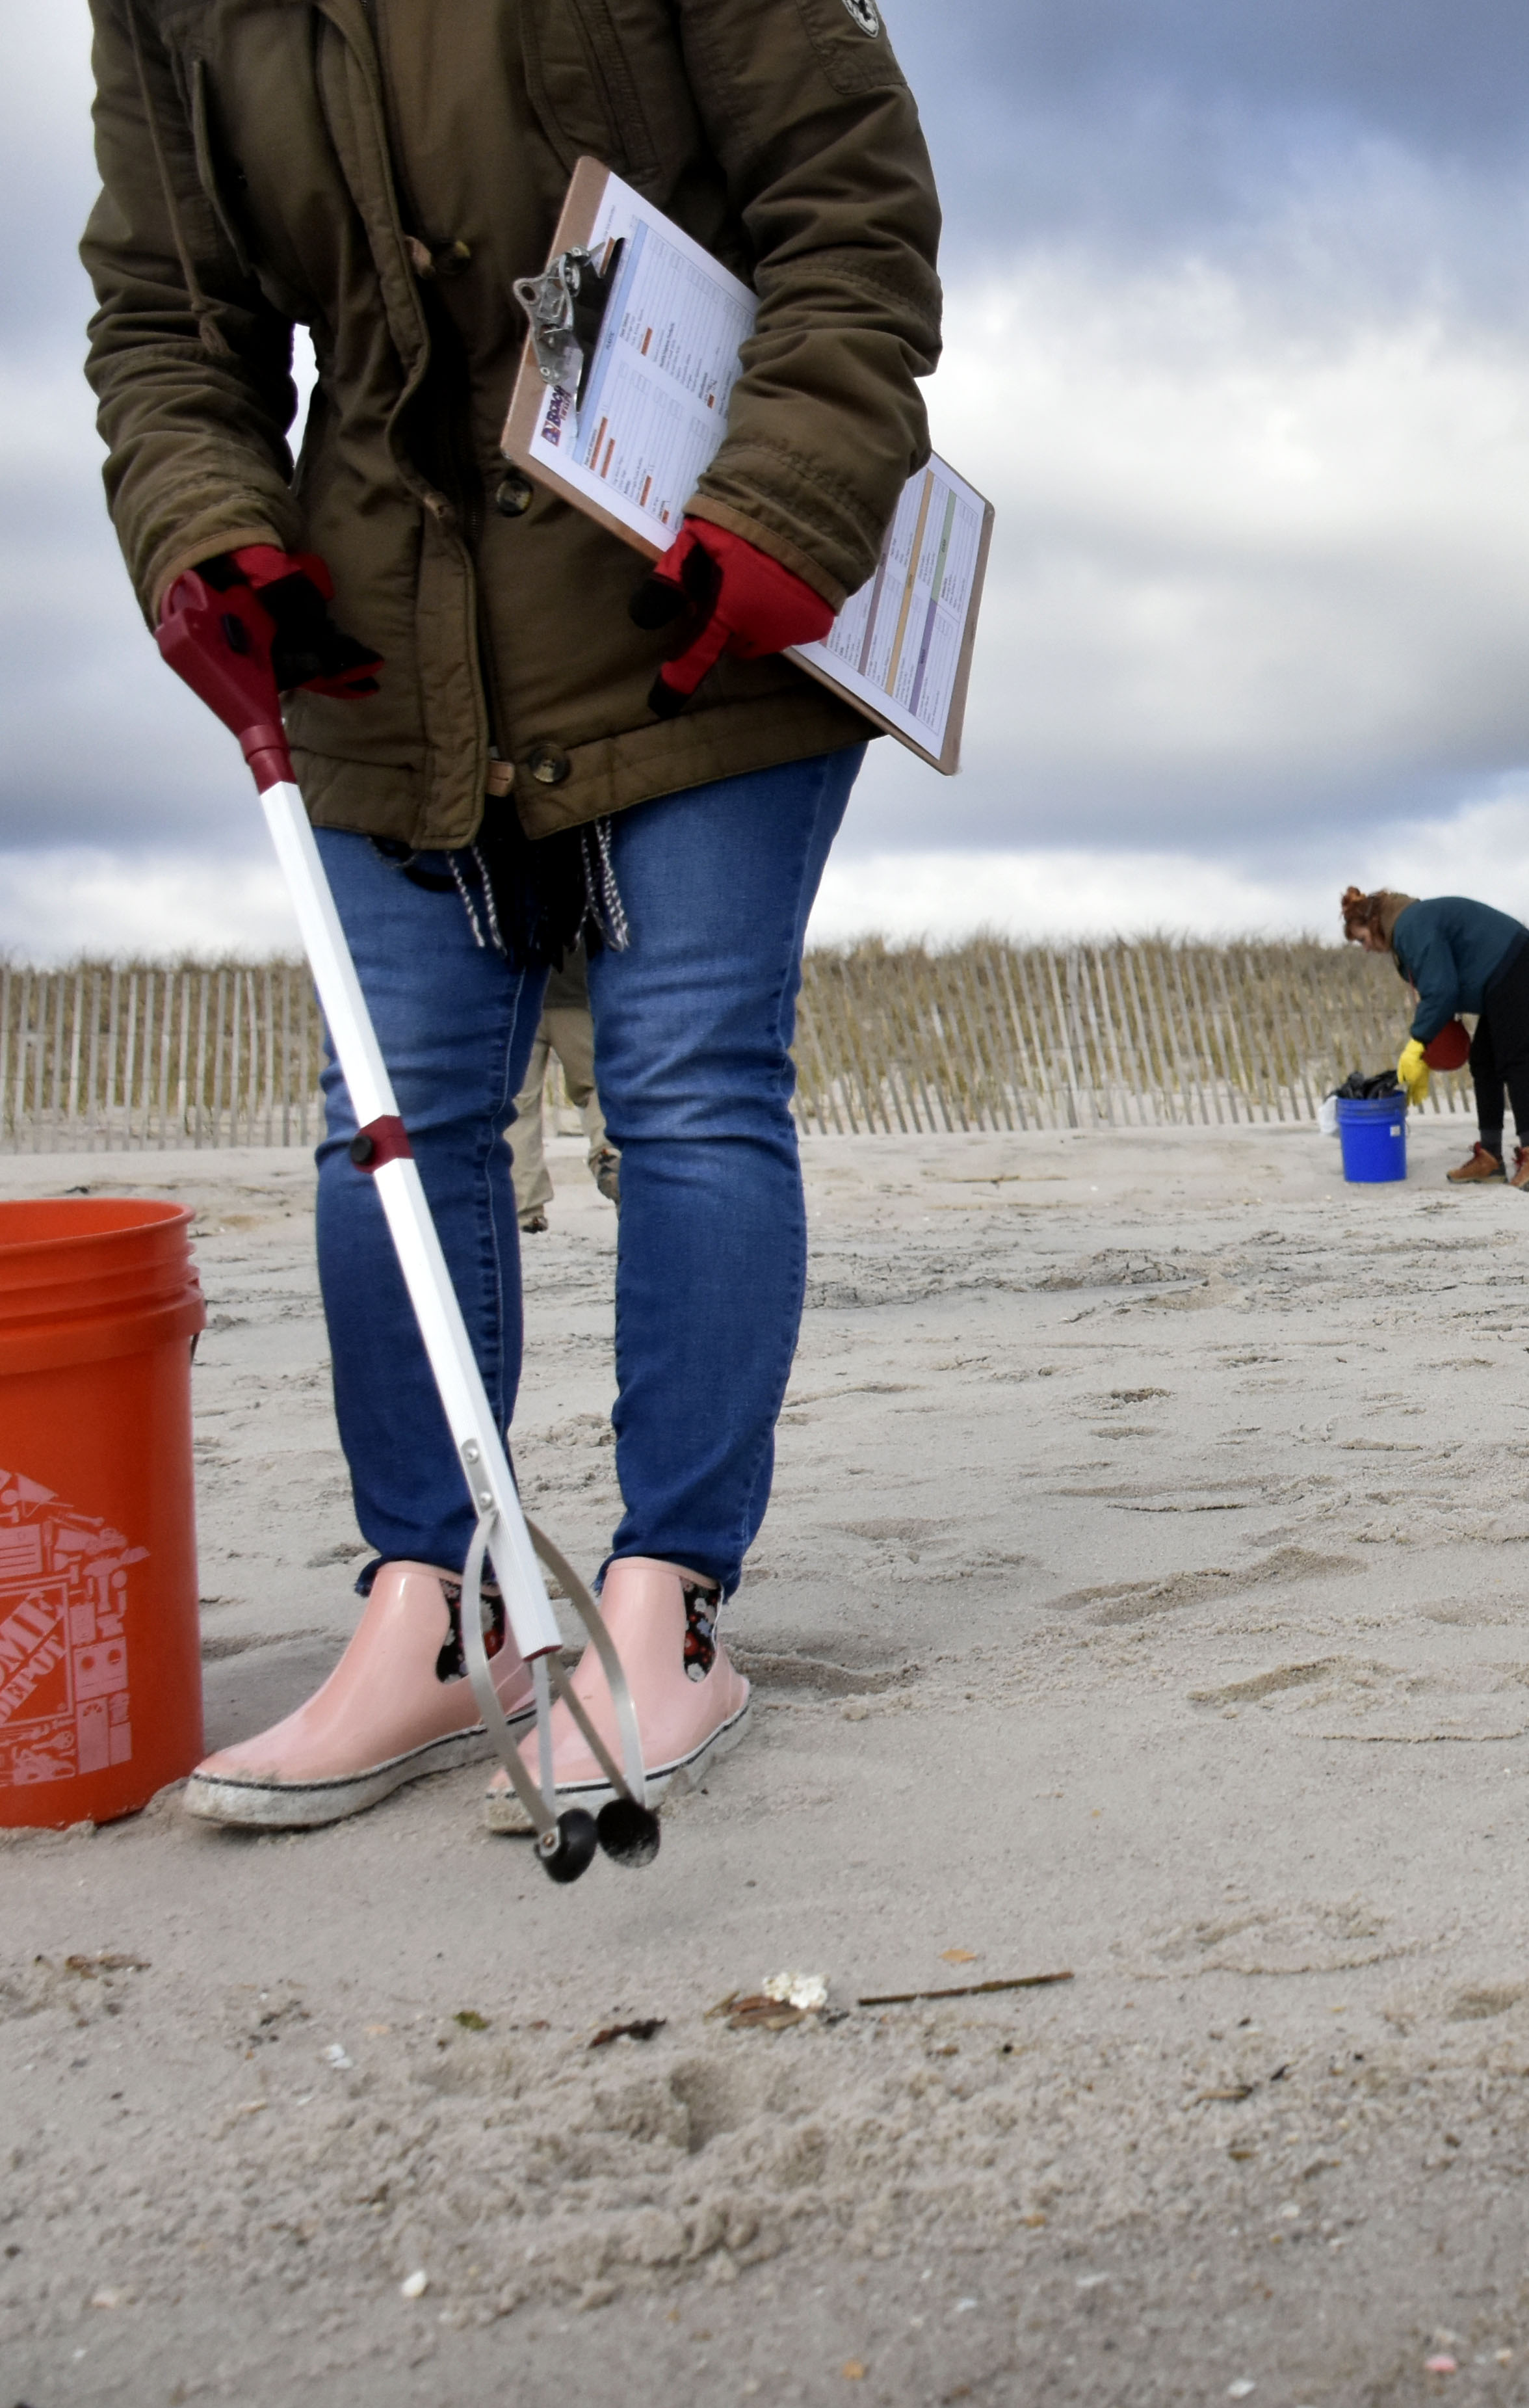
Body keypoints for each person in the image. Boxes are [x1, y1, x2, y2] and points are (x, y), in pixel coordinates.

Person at [85, 0, 939, 1831]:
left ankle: (670, 1609)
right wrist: (200, 520)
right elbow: (172, 313)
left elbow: (847, 205)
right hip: (381, 634)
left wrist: (789, 489)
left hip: (698, 595)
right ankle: (432, 1604)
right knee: (383, 1125)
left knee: (694, 1085)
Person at [1342, 888, 1529, 1188]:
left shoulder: (1411, 926)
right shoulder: (1408, 929)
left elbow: (1442, 991)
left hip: (1514, 962)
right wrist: (1428, 1047)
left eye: (1363, 939)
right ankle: (1491, 1158)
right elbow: (1440, 985)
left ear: (1374, 922)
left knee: (1513, 1058)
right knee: (1484, 1063)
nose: (1365, 948)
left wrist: (1417, 1044)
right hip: (1500, 975)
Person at [508, 942, 616, 1233]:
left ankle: (525, 1206)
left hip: (519, 995)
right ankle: (609, 1157)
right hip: (577, 992)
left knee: (519, 1104)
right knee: (596, 1088)